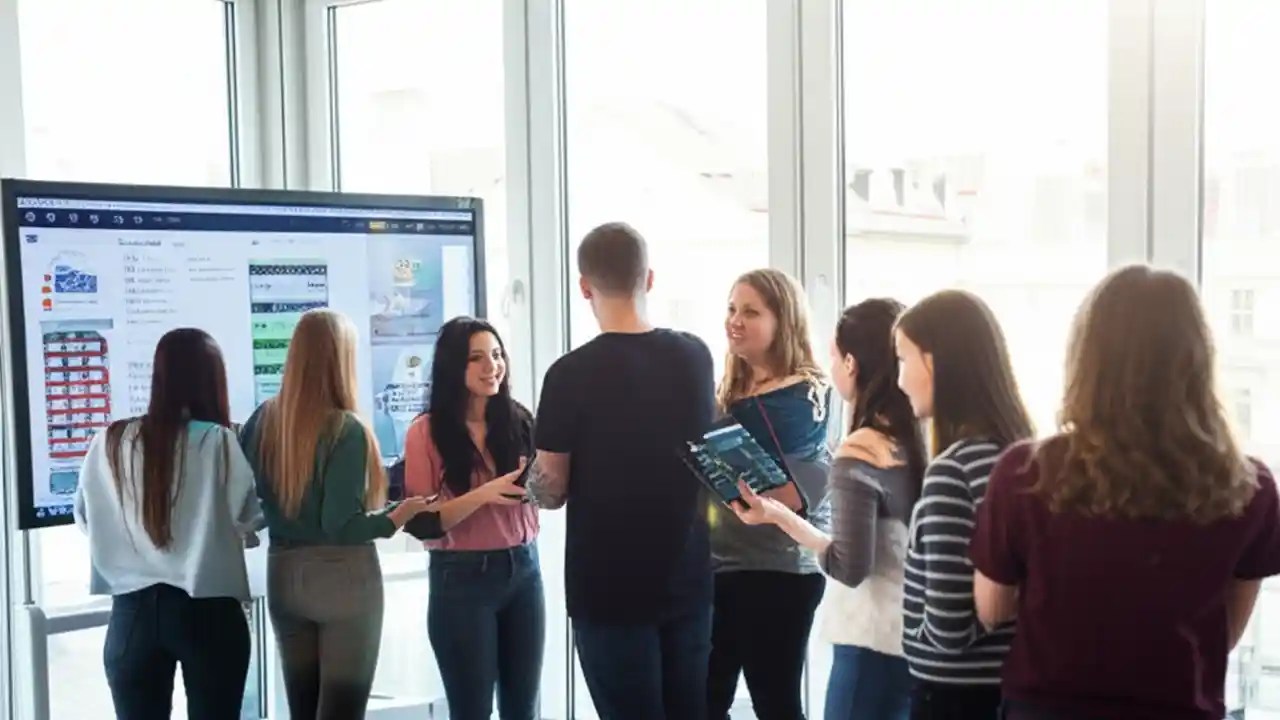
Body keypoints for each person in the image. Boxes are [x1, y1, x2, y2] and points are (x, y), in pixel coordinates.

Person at [970, 265, 1280, 720]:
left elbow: (993, 609)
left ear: (1086, 359)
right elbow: (1226, 631)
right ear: (1197, 361)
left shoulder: (1026, 473)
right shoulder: (1247, 487)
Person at [528, 222, 716, 719]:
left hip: (608, 589)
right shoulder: (695, 356)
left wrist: (525, 481)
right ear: (648, 278)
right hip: (688, 579)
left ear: (584, 286)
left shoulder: (567, 376)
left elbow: (551, 489)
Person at [734, 298, 926, 720]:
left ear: (852, 363)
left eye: (835, 356)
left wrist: (780, 516)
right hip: (921, 641)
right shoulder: (923, 436)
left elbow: (849, 566)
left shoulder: (863, 449)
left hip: (871, 638)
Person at [240, 309, 434, 719]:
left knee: (302, 709)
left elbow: (248, 502)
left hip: (284, 576)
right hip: (343, 580)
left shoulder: (261, 421)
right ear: (340, 359)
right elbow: (342, 526)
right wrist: (398, 515)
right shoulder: (345, 429)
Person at [74, 328, 263, 720]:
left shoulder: (108, 439)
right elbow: (247, 518)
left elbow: (85, 519)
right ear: (213, 379)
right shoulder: (217, 441)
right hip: (207, 612)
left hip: (131, 616)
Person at [894, 290, 1033, 719]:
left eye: (903, 359)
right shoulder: (1023, 456)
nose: (899, 380)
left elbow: (949, 630)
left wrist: (912, 629)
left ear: (935, 363)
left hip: (952, 694)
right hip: (1009, 687)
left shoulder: (952, 473)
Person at [705, 269, 832, 720]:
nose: (734, 320)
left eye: (751, 312)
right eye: (731, 308)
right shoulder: (727, 389)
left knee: (774, 702)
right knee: (705, 700)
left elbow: (794, 492)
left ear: (785, 322)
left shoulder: (807, 393)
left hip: (778, 571)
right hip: (720, 565)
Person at [403, 316, 543, 720]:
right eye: (477, 358)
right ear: (453, 367)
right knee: (472, 711)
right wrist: (483, 494)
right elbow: (422, 523)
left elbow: (541, 495)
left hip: (525, 571)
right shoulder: (425, 432)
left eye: (497, 355)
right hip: (461, 579)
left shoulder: (519, 420)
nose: (492, 367)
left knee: (523, 709)